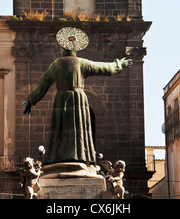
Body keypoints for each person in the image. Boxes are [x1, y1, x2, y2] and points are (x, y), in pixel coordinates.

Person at [22, 27, 132, 165]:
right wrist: (118, 64)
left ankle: (58, 156)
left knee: (61, 129)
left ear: (63, 47)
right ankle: (81, 155)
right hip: (78, 98)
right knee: (79, 128)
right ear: (76, 48)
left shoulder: (55, 65)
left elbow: (42, 86)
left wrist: (30, 101)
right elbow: (104, 68)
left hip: (61, 99)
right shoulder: (81, 63)